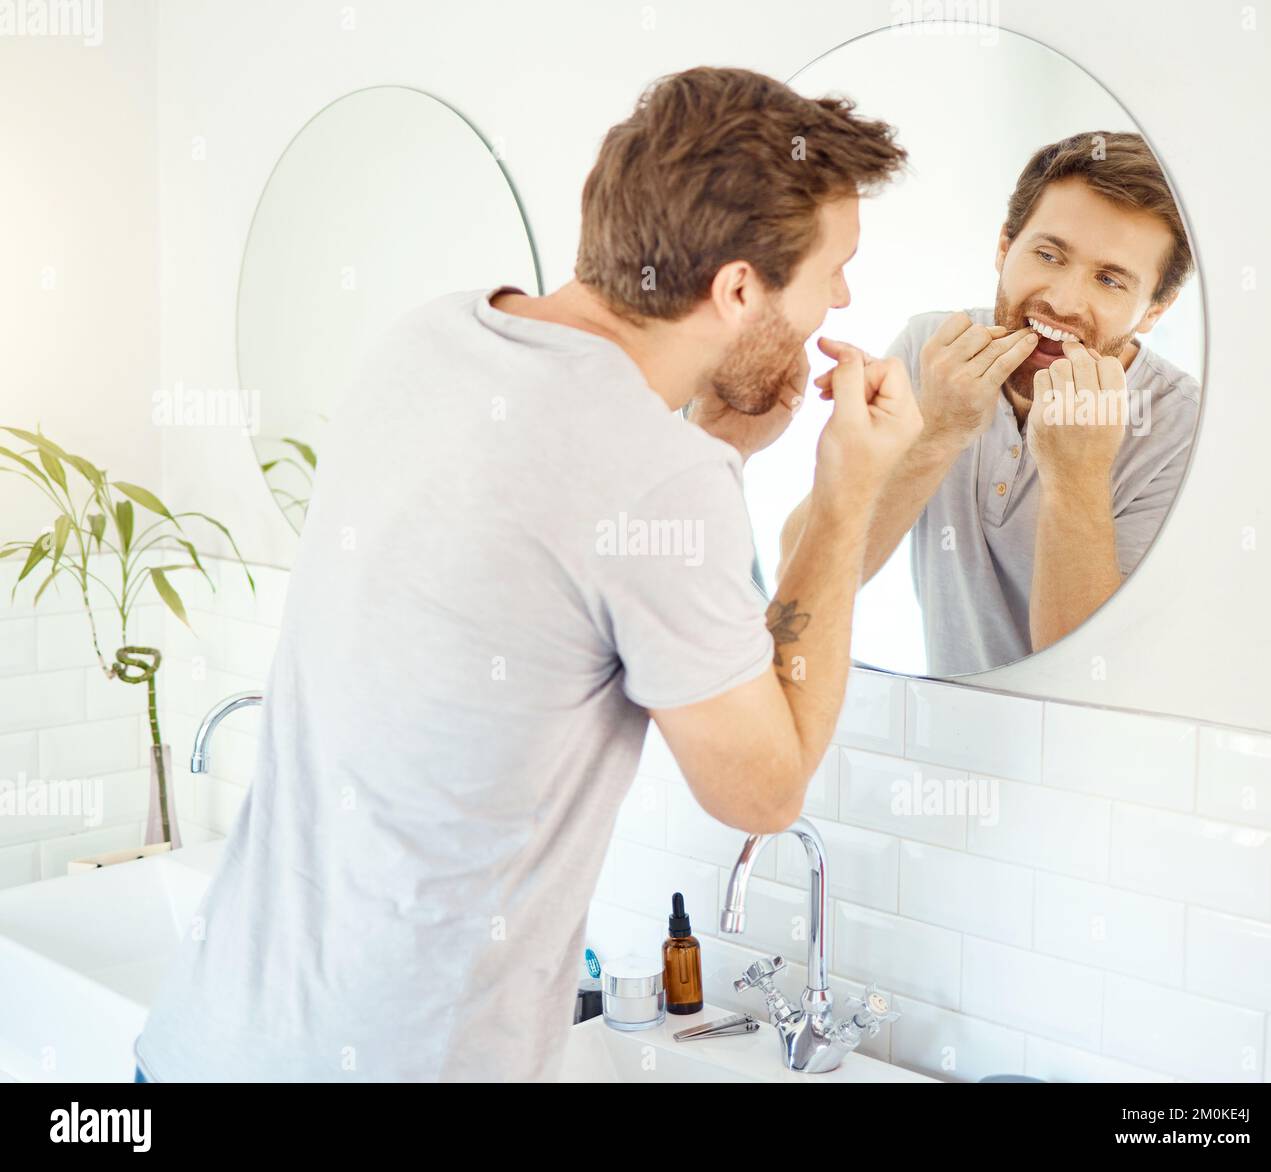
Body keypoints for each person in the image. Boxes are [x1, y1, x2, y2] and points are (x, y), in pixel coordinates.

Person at [132, 66, 921, 1083]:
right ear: (735, 288)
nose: (843, 299)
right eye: (833, 269)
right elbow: (763, 790)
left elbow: (558, 515)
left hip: (203, 1040)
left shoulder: (424, 340)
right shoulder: (659, 480)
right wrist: (845, 491)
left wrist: (716, 446)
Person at [780, 132, 1199, 676]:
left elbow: (1090, 677)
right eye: (1048, 254)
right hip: (946, 734)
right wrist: (937, 429)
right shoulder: (932, 351)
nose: (1063, 300)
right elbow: (799, 578)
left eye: (1110, 280)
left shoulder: (1182, 428)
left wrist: (1077, 475)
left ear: (1152, 312)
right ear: (1004, 247)